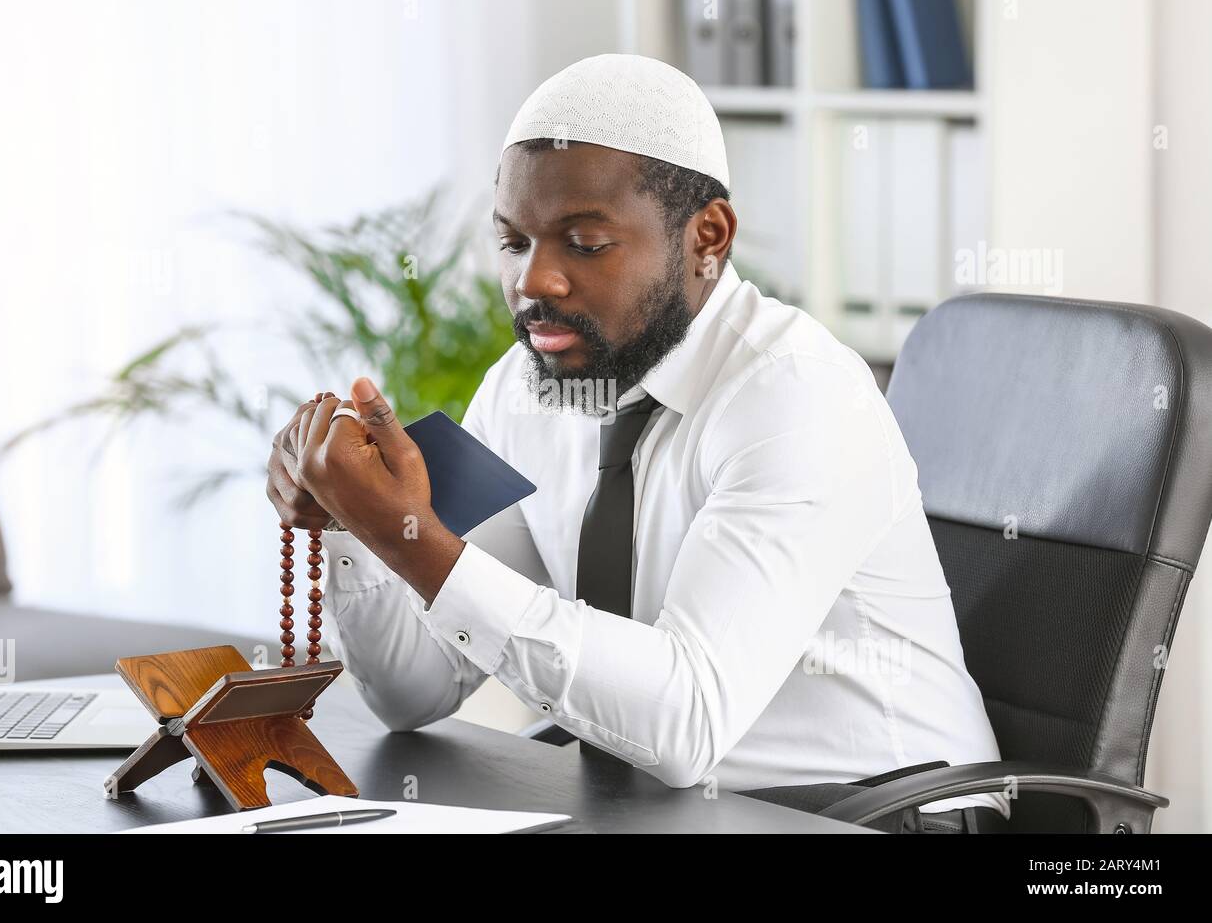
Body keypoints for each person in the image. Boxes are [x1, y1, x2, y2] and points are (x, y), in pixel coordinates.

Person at [266, 54, 1007, 832]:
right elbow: (410, 696)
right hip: (655, 807)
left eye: (584, 244)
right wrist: (356, 527)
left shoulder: (797, 396)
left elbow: (685, 720)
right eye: (514, 243)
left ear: (706, 237)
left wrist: (412, 542)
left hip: (871, 812)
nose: (533, 283)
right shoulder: (525, 388)